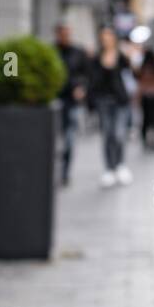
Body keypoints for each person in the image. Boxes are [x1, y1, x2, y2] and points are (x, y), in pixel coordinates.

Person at [88, 24, 134, 187]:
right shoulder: (96, 58)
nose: (106, 39)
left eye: (109, 36)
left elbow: (130, 77)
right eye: (104, 36)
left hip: (120, 101)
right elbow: (92, 80)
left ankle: (120, 165)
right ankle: (109, 168)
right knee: (107, 135)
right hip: (103, 101)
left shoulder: (122, 57)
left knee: (119, 134)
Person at [53, 23, 89, 187]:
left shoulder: (78, 53)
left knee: (69, 139)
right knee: (54, 139)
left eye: (68, 33)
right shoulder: (51, 52)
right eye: (63, 33)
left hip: (72, 103)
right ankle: (55, 169)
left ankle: (65, 173)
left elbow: (86, 75)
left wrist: (81, 88)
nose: (66, 36)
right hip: (55, 100)